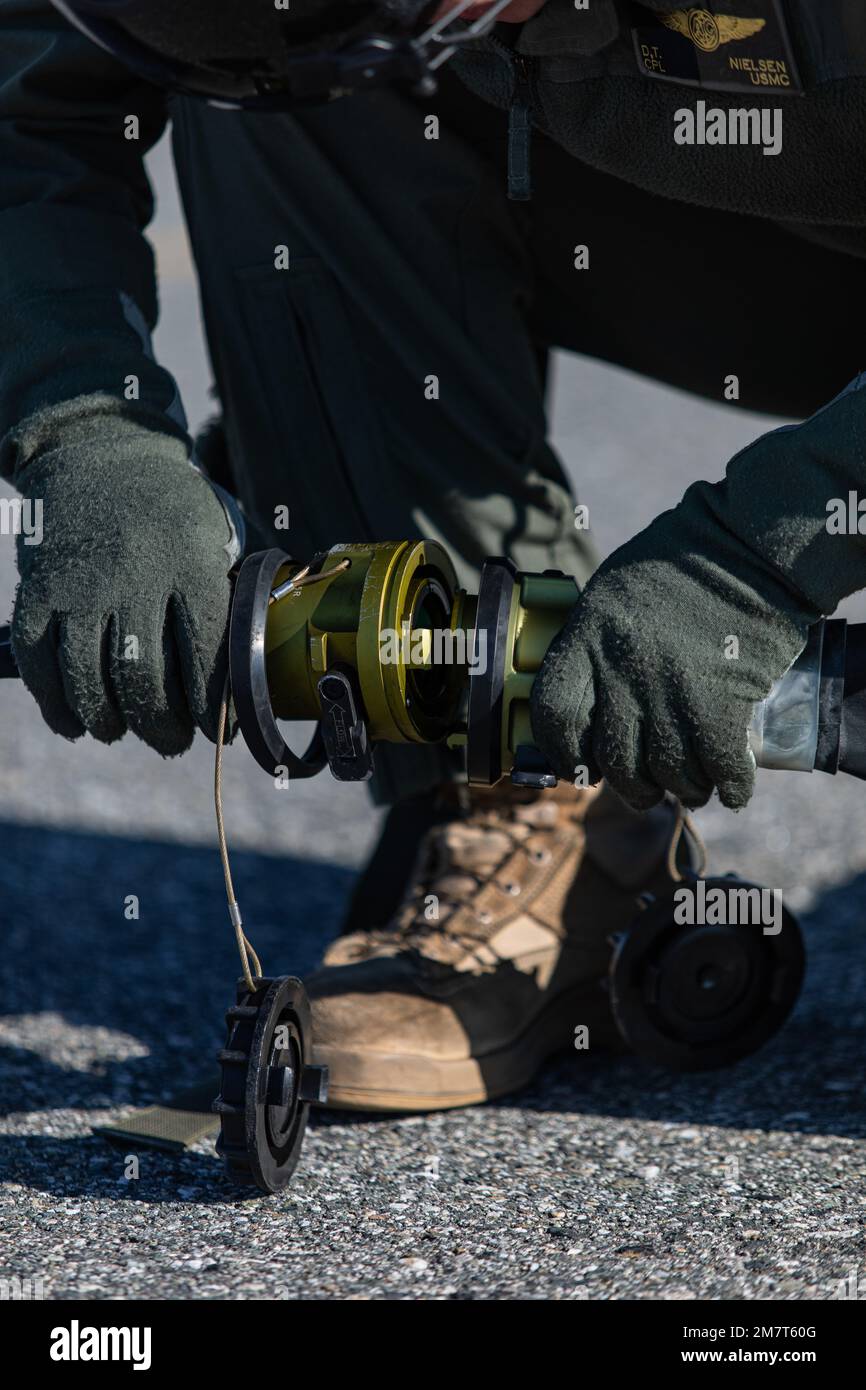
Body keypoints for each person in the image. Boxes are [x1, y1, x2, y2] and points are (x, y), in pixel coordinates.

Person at [1, 0, 865, 1110]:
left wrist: (755, 557)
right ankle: (520, 804)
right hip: (685, 211)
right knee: (278, 84)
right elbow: (24, 108)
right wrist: (93, 443)